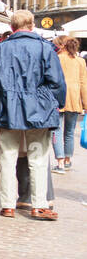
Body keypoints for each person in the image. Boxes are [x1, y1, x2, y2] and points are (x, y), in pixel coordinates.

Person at [0, 11, 66, 220]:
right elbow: (56, 82)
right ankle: (38, 205)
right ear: (32, 25)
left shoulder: (1, 49)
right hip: (38, 111)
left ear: (12, 27)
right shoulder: (45, 48)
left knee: (8, 158)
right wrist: (57, 104)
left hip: (8, 111)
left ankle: (8, 205)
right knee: (37, 158)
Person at [52, 35, 87, 171]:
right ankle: (67, 160)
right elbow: (84, 84)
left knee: (56, 130)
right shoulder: (80, 61)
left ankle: (59, 162)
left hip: (58, 98)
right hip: (74, 98)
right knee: (70, 132)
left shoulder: (57, 59)